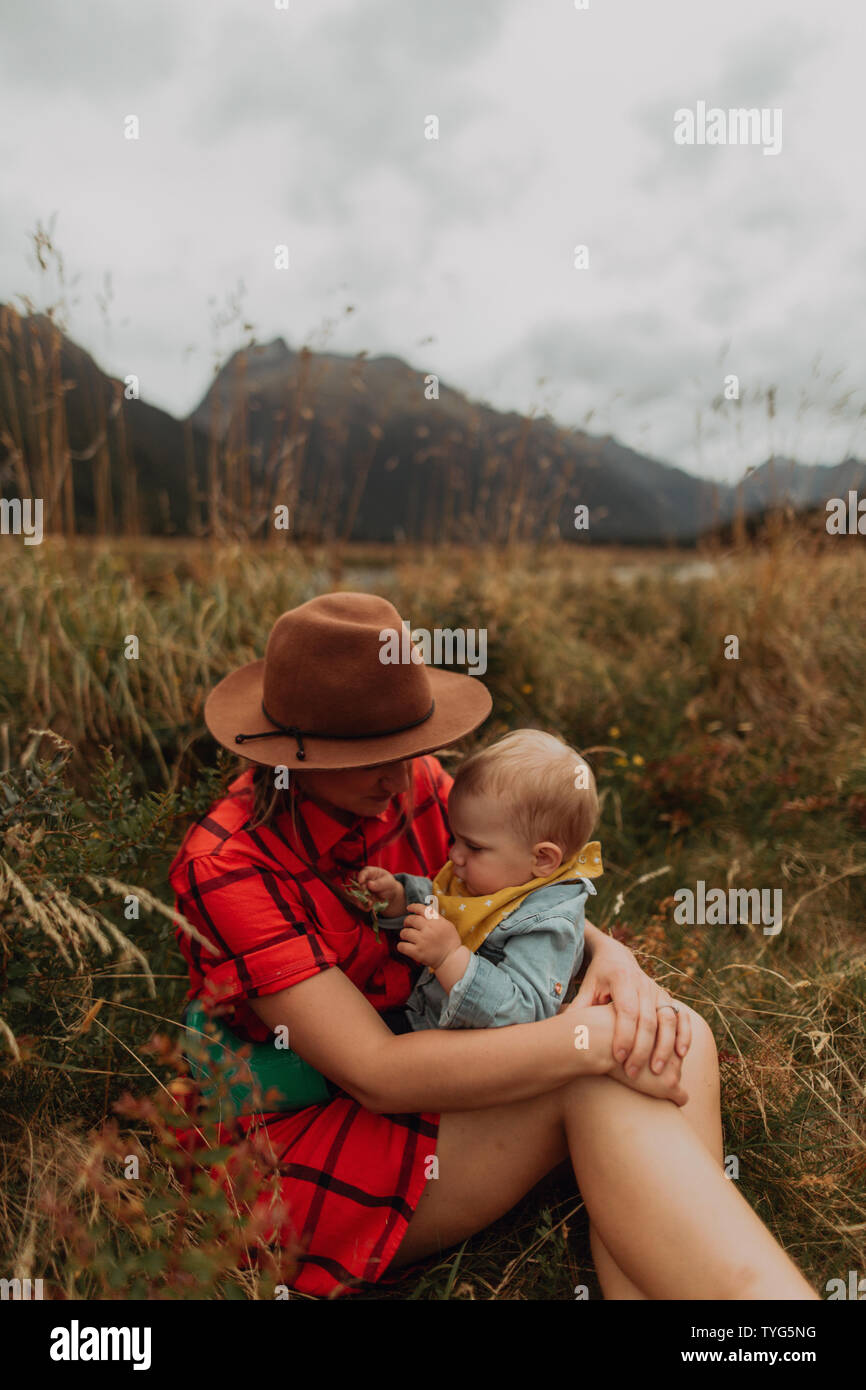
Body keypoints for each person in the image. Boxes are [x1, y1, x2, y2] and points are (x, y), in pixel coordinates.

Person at [169, 590, 817, 1300]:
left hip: (437, 1063)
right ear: (299, 753)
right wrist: (591, 1039)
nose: (402, 772)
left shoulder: (403, 781)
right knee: (603, 1068)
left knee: (680, 1035)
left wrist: (614, 960)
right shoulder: (229, 866)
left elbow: (508, 890)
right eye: (370, 757)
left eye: (409, 746)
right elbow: (376, 1073)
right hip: (306, 1141)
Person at [357, 728, 604, 1032]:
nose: (454, 855)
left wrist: (450, 958)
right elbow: (451, 903)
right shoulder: (498, 878)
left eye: (472, 846)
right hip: (425, 1020)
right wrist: (399, 898)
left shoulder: (546, 926)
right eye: (456, 837)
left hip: (484, 1063)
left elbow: (526, 1015)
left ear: (542, 859)